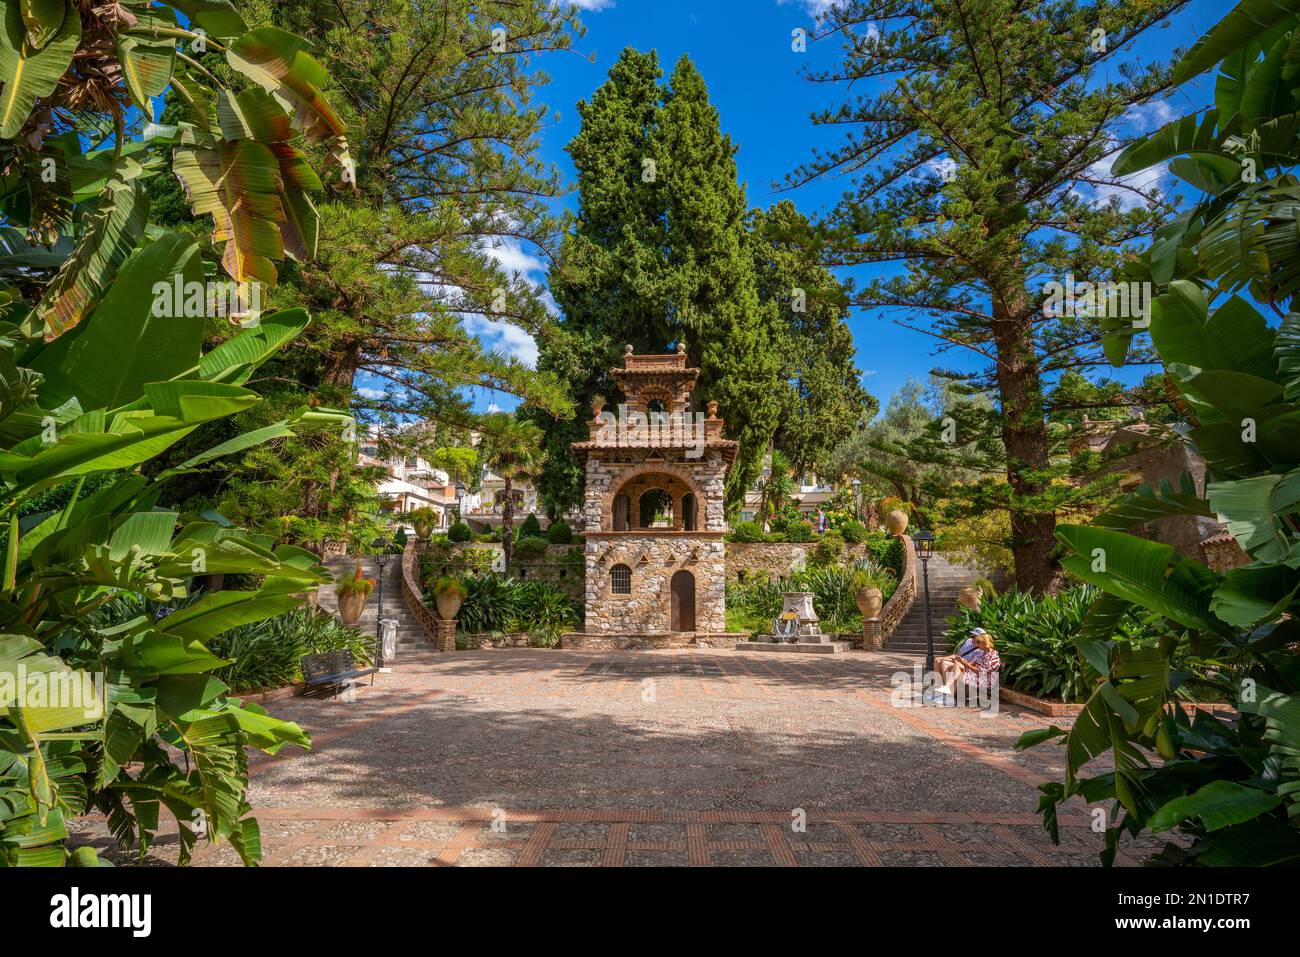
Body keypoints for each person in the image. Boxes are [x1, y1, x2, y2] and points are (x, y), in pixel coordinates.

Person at [935, 630, 1000, 700]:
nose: (977, 644)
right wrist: (961, 662)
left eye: (979, 642)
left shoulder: (993, 657)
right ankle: (946, 691)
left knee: (957, 672)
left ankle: (947, 693)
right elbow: (972, 665)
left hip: (985, 680)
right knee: (953, 666)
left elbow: (981, 672)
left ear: (985, 643)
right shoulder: (984, 654)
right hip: (976, 675)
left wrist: (963, 663)